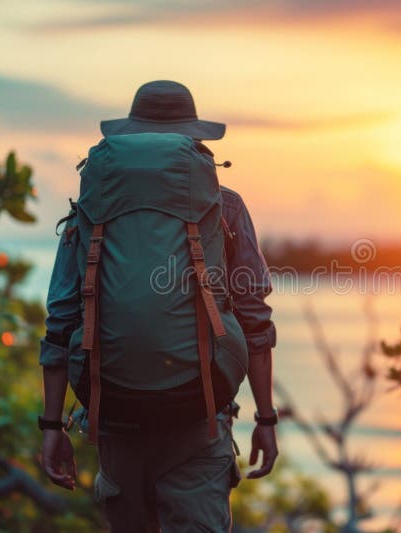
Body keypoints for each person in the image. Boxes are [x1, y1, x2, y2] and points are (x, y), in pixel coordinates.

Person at [37, 80, 278, 532]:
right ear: (194, 140)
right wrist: (266, 418)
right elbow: (255, 320)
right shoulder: (224, 207)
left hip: (116, 418)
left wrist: (52, 427)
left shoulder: (90, 211)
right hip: (199, 422)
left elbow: (61, 321)